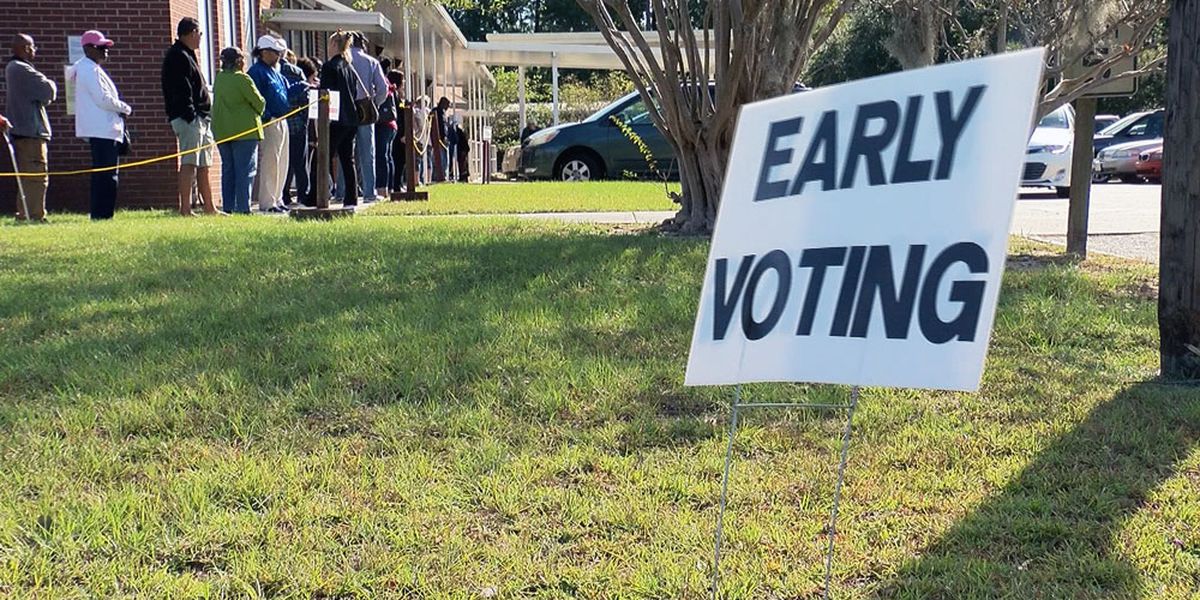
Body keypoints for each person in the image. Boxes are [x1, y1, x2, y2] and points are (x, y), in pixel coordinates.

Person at [69, 30, 131, 220]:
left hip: (101, 129)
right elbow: (103, 99)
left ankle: (101, 214)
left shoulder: (88, 68)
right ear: (88, 48)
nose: (106, 51)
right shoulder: (88, 70)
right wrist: (125, 108)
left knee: (104, 175)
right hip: (102, 130)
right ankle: (102, 215)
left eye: (106, 47)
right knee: (107, 176)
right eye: (101, 47)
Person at [162, 17, 218, 216]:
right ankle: (185, 208)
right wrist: (191, 115)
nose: (201, 37)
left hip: (201, 118)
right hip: (189, 118)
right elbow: (181, 89)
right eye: (199, 33)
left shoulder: (188, 54)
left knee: (204, 164)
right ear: (192, 32)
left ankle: (209, 207)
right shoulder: (177, 55)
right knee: (189, 162)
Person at [248, 35, 307, 213]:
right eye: (275, 52)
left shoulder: (275, 71)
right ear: (264, 52)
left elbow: (286, 91)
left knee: (282, 161)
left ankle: (278, 198)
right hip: (270, 121)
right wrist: (266, 116)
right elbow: (254, 97)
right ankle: (268, 202)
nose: (279, 56)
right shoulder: (256, 72)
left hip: (283, 119)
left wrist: (303, 85)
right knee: (271, 161)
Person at [6, 34, 56, 222]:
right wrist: (52, 84)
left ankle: (25, 214)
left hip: (25, 132)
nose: (35, 50)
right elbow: (48, 90)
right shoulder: (20, 68)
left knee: (29, 176)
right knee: (36, 176)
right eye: (33, 47)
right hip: (31, 133)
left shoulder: (15, 68)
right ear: (25, 48)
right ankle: (34, 216)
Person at [212, 47, 265, 214]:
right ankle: (243, 207)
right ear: (238, 61)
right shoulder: (243, 79)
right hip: (245, 131)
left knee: (228, 170)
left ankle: (228, 207)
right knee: (245, 171)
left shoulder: (219, 78)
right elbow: (259, 103)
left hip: (223, 131)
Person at [313, 31, 361, 207]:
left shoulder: (329, 67)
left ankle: (316, 195)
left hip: (335, 118)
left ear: (334, 45)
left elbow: (326, 93)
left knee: (322, 156)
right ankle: (351, 198)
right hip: (351, 118)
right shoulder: (349, 68)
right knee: (347, 159)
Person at [346, 31, 387, 202]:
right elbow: (383, 89)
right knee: (367, 153)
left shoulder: (343, 60)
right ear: (363, 43)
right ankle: (369, 192)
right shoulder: (371, 62)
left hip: (346, 110)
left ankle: (342, 191)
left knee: (345, 153)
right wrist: (375, 104)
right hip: (365, 109)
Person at [281, 56, 316, 207]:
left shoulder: (275, 73)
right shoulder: (297, 74)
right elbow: (305, 100)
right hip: (298, 125)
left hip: (281, 124)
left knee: (284, 163)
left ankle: (284, 194)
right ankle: (303, 195)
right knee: (300, 163)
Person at [374, 75, 398, 200]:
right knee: (388, 157)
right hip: (391, 125)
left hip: (383, 124)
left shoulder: (383, 88)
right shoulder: (391, 88)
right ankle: (389, 187)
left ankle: (382, 187)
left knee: (381, 156)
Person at [431, 96, 450, 183]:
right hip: (439, 139)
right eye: (447, 105)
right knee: (440, 159)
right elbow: (440, 126)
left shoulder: (443, 112)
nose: (448, 107)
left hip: (443, 139)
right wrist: (442, 137)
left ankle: (443, 175)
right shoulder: (437, 112)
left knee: (444, 158)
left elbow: (445, 126)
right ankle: (438, 176)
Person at [453, 116, 470, 183]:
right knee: (462, 163)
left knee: (463, 164)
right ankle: (463, 176)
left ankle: (464, 177)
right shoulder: (460, 131)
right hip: (462, 149)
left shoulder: (459, 132)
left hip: (462, 149)